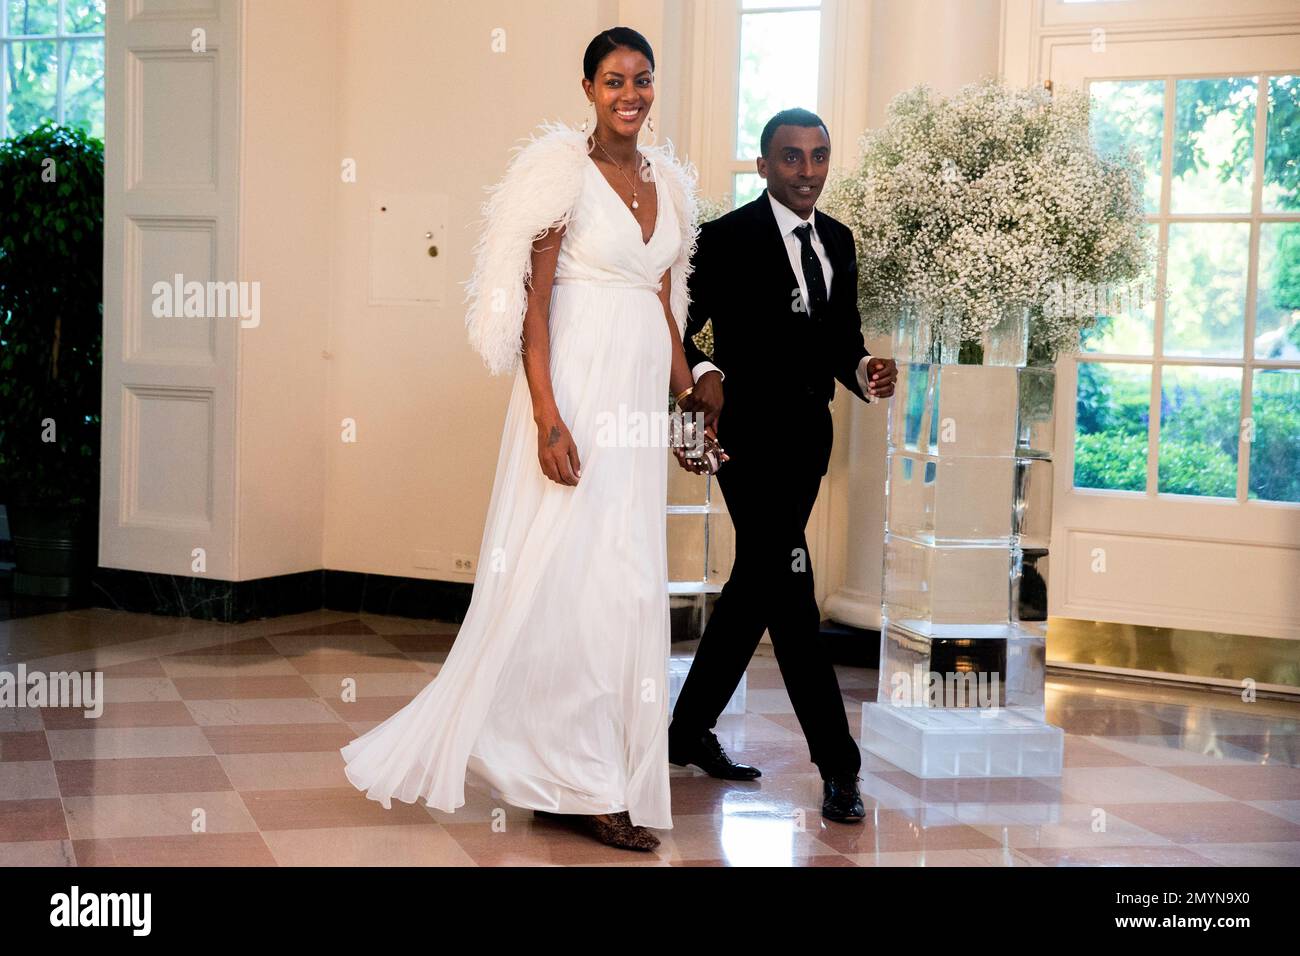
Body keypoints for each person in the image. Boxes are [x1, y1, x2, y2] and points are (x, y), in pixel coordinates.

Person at [340, 27, 707, 852]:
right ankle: (571, 779)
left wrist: (688, 396)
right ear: (587, 88)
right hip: (573, 395)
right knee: (563, 583)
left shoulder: (671, 185)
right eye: (614, 80)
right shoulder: (559, 174)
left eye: (643, 80)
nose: (631, 94)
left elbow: (663, 306)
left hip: (636, 409)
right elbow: (532, 307)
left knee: (622, 586)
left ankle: (581, 773)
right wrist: (547, 414)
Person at [670, 108, 898, 824]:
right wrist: (705, 370)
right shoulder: (724, 238)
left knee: (756, 584)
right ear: (764, 164)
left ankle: (685, 730)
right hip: (745, 439)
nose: (808, 171)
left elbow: (841, 338)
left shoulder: (838, 239)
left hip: (807, 443)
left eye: (819, 156)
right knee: (793, 593)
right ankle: (840, 767)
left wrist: (864, 368)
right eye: (792, 158)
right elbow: (678, 325)